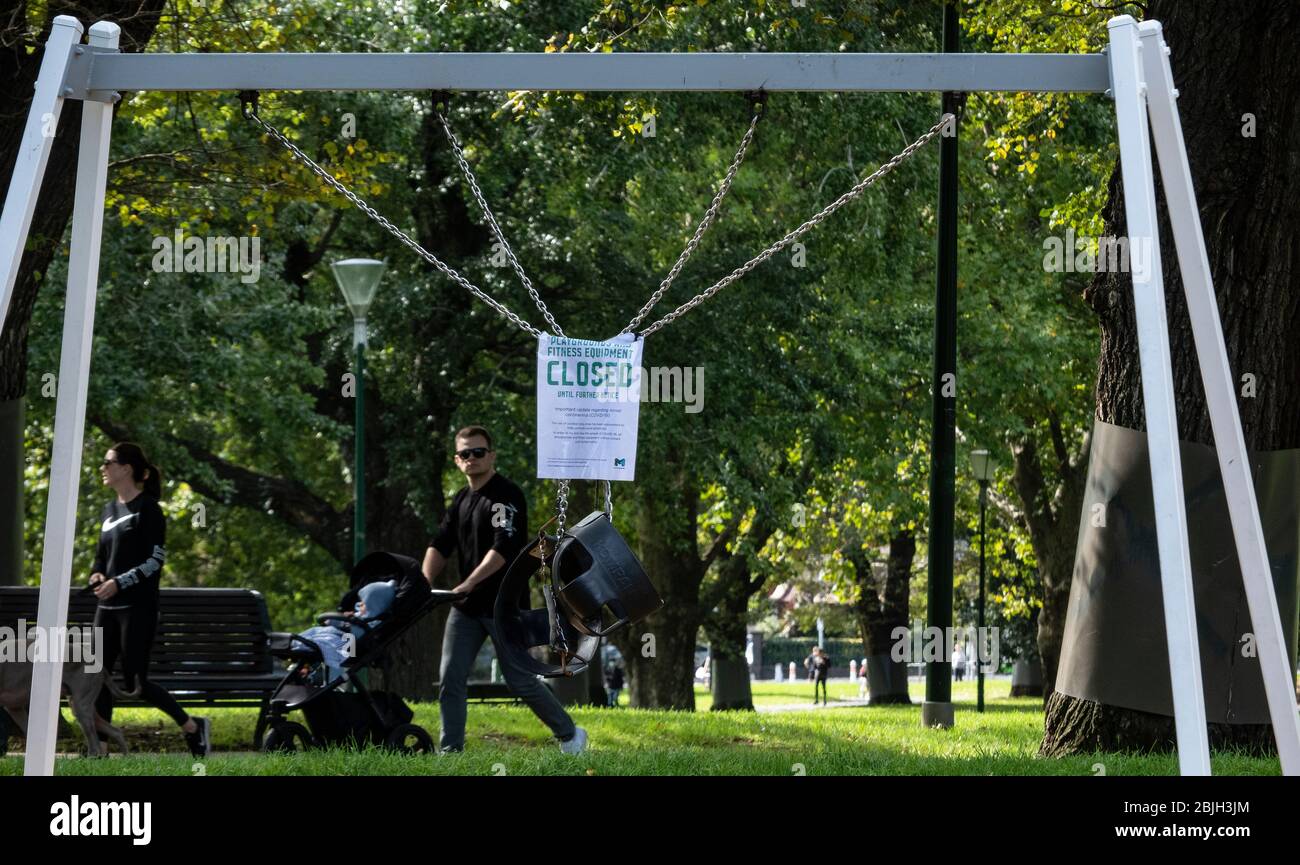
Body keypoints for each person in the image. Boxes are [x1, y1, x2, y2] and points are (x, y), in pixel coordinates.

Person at [422, 426, 587, 755]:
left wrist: (468, 582)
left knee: (520, 681)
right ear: (457, 460)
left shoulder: (506, 495)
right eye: (465, 454)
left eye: (478, 452)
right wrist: (422, 582)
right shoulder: (461, 499)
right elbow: (440, 544)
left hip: (503, 607)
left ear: (492, 455)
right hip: (466, 608)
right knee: (451, 678)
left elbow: (504, 548)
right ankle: (451, 751)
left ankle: (570, 735)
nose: (472, 458)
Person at [90, 442, 211, 757]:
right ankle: (99, 749)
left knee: (135, 682)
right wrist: (98, 576)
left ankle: (193, 727)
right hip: (106, 607)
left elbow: (155, 561)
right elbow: (101, 557)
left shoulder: (149, 509)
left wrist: (120, 583)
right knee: (96, 675)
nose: (102, 468)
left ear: (126, 468)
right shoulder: (108, 510)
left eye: (108, 462)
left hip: (137, 608)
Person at [294, 580, 397, 682]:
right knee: (320, 635)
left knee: (331, 647)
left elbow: (358, 632)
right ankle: (302, 652)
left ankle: (327, 680)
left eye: (363, 603)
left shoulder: (373, 623)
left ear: (373, 605)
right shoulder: (359, 617)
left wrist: (342, 622)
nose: (359, 604)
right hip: (344, 641)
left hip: (351, 647)